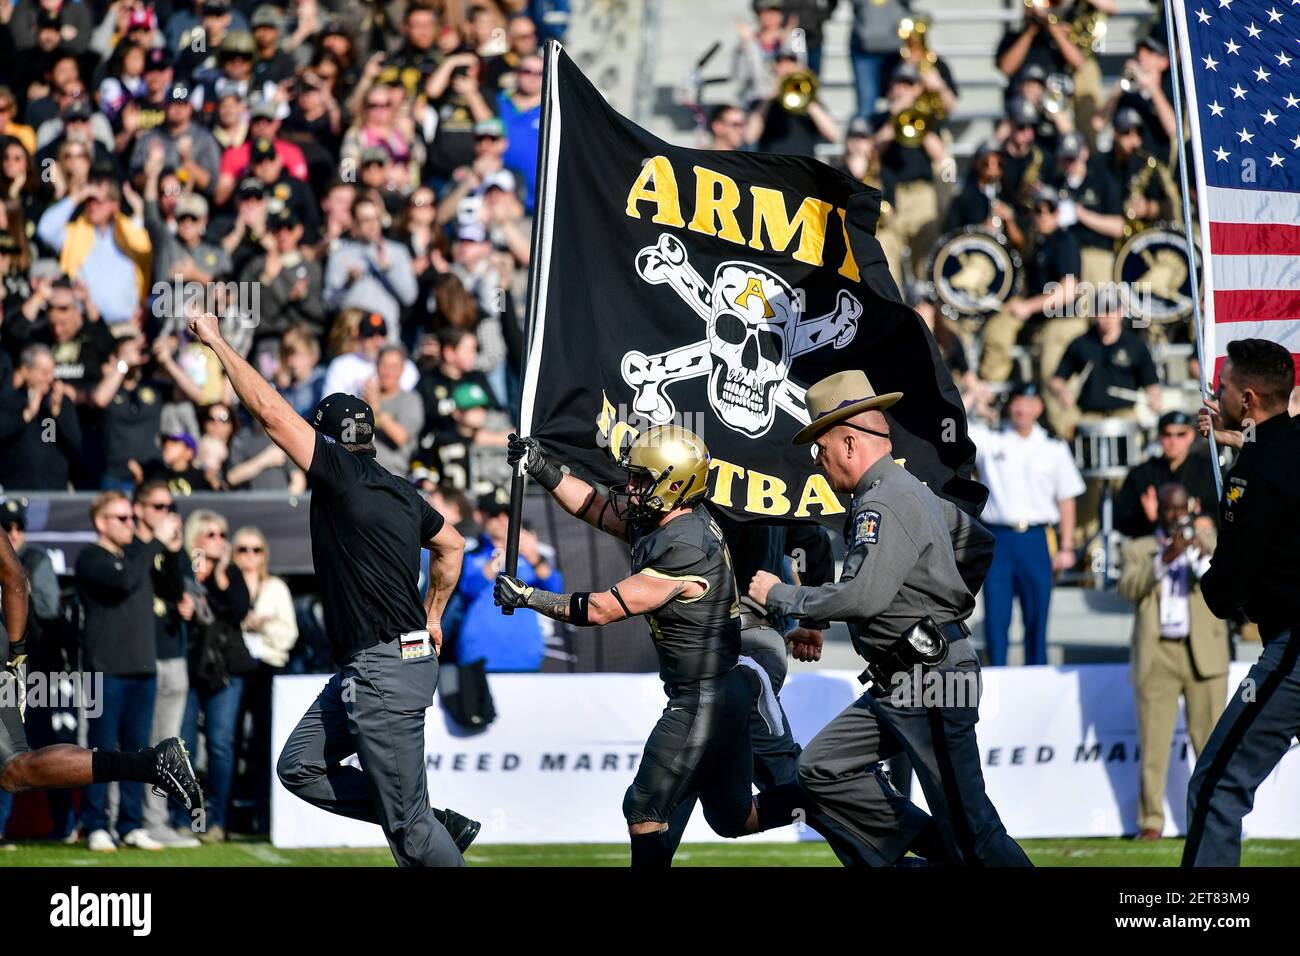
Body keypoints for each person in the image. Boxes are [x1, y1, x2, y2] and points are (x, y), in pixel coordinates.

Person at [184, 311, 478, 866]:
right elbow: (454, 545)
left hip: (381, 668)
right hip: (388, 661)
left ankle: (418, 820)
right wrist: (433, 615)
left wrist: (218, 343)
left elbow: (270, 412)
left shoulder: (339, 474)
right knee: (299, 765)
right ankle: (422, 816)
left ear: (324, 438)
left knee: (410, 836)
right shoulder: (399, 488)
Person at [741, 371, 1029, 866]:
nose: (819, 461)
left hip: (930, 678)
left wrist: (782, 595)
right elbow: (978, 544)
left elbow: (863, 595)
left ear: (849, 442)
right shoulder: (906, 490)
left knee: (972, 828)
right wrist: (939, 597)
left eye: (821, 447)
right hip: (907, 676)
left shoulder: (884, 500)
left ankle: (946, 850)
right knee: (821, 768)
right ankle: (932, 852)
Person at [499, 425, 811, 866]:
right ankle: (827, 793)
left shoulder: (683, 545)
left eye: (643, 479)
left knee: (643, 808)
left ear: (677, 482)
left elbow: (602, 609)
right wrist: (543, 468)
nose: (632, 487)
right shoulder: (674, 519)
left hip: (703, 696)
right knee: (733, 818)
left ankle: (833, 791)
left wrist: (531, 597)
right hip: (724, 689)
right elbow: (595, 506)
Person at [1183, 339, 1300, 867]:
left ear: (1248, 398)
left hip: (1293, 649)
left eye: (1224, 386)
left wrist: (1214, 581)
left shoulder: (1257, 473)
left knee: (1215, 785)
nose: (1216, 392)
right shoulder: (1282, 451)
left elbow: (1225, 589)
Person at [74, 491, 202, 851]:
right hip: (106, 670)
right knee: (101, 752)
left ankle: (131, 824)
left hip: (143, 670)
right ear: (101, 522)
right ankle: (98, 823)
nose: (131, 523)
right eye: (123, 518)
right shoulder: (90, 558)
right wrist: (155, 541)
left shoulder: (138, 556)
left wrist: (173, 551)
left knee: (138, 753)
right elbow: (123, 581)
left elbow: (174, 586)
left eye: (132, 517)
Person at [1118, 482, 1227, 842]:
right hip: (1158, 653)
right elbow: (1127, 590)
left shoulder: (1210, 542)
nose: (1176, 515)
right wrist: (1165, 558)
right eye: (1169, 509)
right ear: (1158, 512)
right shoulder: (1140, 548)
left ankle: (1212, 820)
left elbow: (1223, 584)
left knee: (1210, 743)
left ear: (1192, 506)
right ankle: (1151, 820)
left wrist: (1195, 550)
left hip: (1204, 655)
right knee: (1153, 744)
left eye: (1181, 508)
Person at [968, 381, 1084, 666]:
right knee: (996, 620)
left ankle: (1037, 681)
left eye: (1028, 402)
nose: (1021, 408)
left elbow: (1066, 499)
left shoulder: (1052, 447)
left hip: (1035, 537)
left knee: (1037, 620)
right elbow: (959, 425)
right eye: (1017, 401)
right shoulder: (993, 439)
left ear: (1039, 407)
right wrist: (975, 394)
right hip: (998, 538)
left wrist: (1067, 545)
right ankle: (996, 681)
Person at [132, 481, 201, 849]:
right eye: (158, 507)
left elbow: (184, 590)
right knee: (132, 744)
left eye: (169, 507)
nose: (166, 514)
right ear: (139, 508)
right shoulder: (132, 547)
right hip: (139, 658)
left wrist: (174, 552)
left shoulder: (171, 549)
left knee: (166, 746)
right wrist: (157, 544)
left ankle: (155, 821)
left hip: (173, 653)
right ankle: (121, 821)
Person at [231, 525, 297, 834]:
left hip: (268, 667)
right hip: (233, 667)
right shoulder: (227, 584)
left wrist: (262, 627)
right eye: (243, 549)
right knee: (225, 741)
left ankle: (265, 817)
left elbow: (289, 633)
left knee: (265, 744)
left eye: (256, 550)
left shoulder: (276, 588)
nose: (249, 556)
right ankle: (225, 816)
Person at [457, 490, 562, 672]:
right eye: (495, 514)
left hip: (524, 656)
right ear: (480, 516)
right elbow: (468, 588)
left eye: (508, 513)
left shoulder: (532, 556)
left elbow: (556, 591)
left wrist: (533, 556)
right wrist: (503, 553)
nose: (504, 519)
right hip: (477, 656)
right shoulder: (470, 553)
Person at [1115, 411, 1218, 538]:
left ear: (1190, 435)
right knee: (1130, 551)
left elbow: (1224, 510)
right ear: (1159, 436)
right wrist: (1150, 519)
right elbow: (1121, 519)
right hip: (1157, 543)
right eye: (1167, 434)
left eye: (1180, 434)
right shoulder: (1142, 474)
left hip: (1196, 541)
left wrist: (1208, 518)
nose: (1173, 441)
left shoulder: (1208, 470)